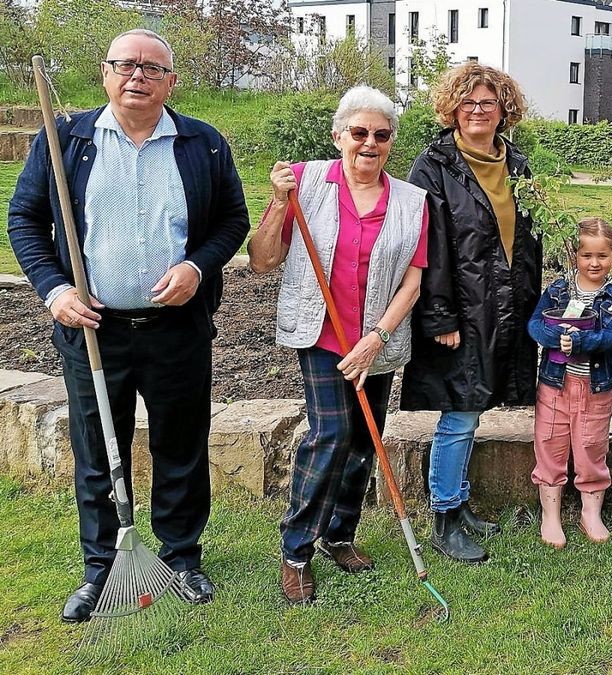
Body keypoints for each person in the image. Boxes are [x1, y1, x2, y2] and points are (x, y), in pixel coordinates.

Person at [7, 29, 249, 621]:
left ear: (171, 81)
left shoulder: (203, 145)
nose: (137, 76)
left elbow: (232, 219)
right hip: (93, 329)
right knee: (97, 448)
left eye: (151, 68)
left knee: (181, 445)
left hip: (176, 328)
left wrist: (197, 265)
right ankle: (102, 567)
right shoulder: (67, 139)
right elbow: (25, 218)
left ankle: (182, 556)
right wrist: (54, 289)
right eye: (125, 65)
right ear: (105, 72)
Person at [247, 86, 428, 604]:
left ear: (391, 142)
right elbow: (262, 260)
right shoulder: (305, 182)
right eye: (359, 132)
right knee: (332, 432)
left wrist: (377, 337)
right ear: (338, 136)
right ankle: (296, 548)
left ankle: (339, 534)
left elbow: (412, 282)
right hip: (322, 334)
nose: (369, 143)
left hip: (377, 339)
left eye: (381, 135)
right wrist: (280, 203)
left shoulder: (412, 202)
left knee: (365, 440)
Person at [400, 62, 541, 564]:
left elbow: (526, 242)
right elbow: (428, 247)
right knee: (458, 415)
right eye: (468, 102)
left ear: (504, 108)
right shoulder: (433, 166)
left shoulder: (516, 164)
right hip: (461, 310)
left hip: (506, 308)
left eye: (487, 101)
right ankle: (444, 516)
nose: (477, 110)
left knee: (474, 408)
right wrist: (439, 317)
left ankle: (460, 505)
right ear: (452, 108)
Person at [527, 218, 612, 548]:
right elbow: (534, 326)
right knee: (550, 443)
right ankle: (551, 516)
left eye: (602, 255)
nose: (594, 263)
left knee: (590, 448)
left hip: (595, 389)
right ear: (575, 256)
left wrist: (583, 341)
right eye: (586, 256)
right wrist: (557, 336)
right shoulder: (559, 290)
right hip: (555, 386)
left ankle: (590, 512)